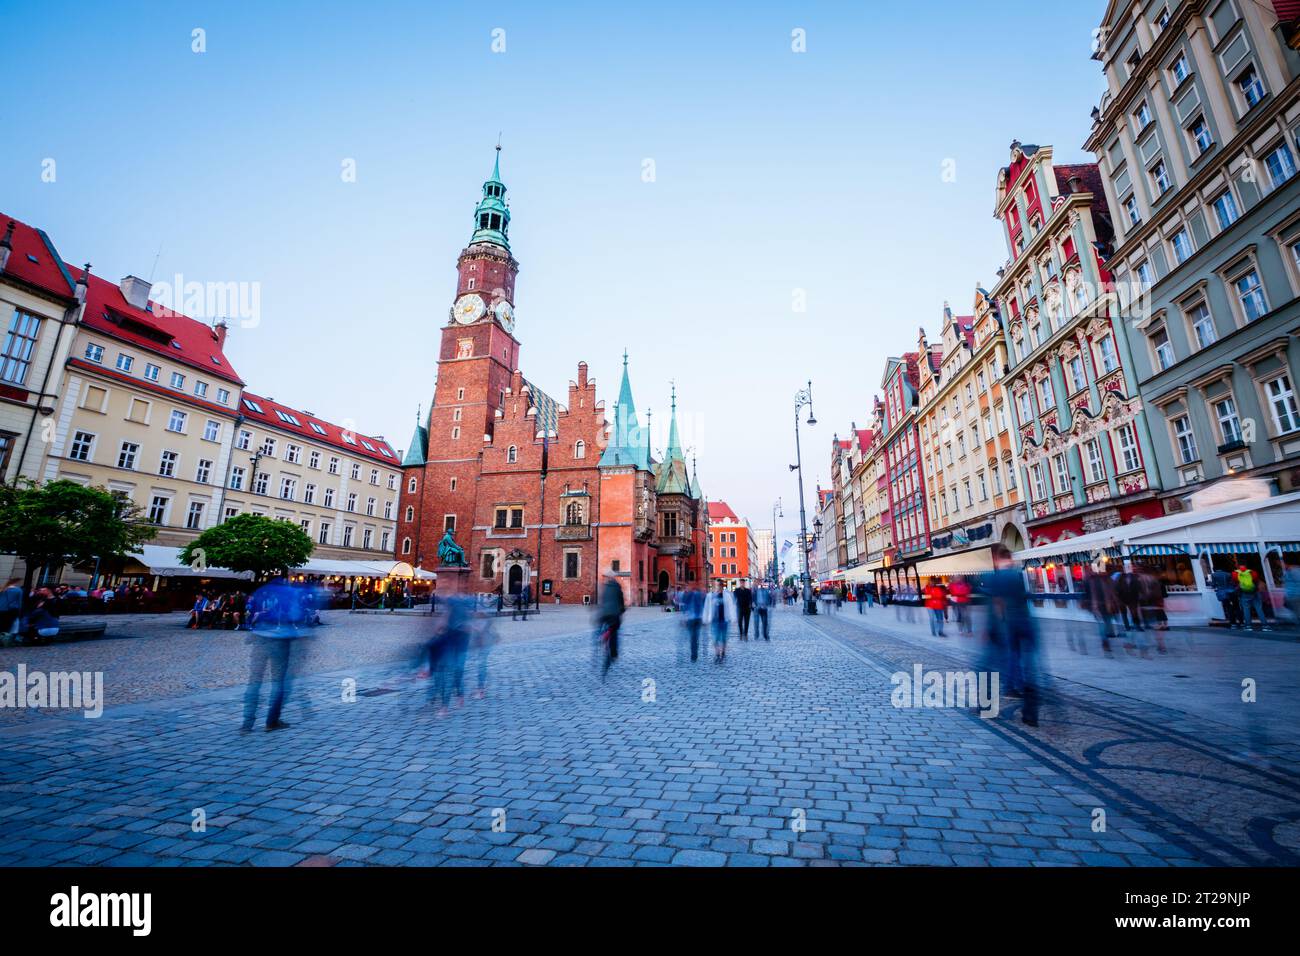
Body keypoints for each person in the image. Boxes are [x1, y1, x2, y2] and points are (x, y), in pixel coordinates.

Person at [982, 544, 1039, 727]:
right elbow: (1025, 598)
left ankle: (988, 704)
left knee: (990, 665)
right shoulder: (1019, 575)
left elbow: (997, 604)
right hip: (1026, 626)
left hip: (1006, 628)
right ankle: (1030, 712)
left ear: (997, 560)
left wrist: (992, 628)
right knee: (1028, 668)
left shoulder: (994, 578)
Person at [241, 577, 303, 732]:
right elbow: (296, 615)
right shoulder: (289, 593)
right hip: (279, 641)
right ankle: (271, 721)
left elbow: (250, 613)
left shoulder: (260, 592)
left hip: (259, 639)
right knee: (277, 682)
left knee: (254, 682)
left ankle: (247, 723)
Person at [1083, 566, 1118, 655]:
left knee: (1103, 623)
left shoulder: (1091, 581)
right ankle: (1105, 640)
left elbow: (1087, 594)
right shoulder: (1107, 580)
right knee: (1105, 623)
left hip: (1099, 606)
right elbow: (1113, 593)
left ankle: (1105, 640)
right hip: (1104, 606)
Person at [596, 575, 625, 675]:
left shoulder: (605, 588)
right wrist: (622, 610)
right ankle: (613, 653)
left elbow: (602, 601)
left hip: (604, 614)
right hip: (614, 614)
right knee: (615, 631)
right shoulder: (617, 588)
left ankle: (602, 636)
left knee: (603, 627)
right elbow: (621, 601)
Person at [703, 580, 733, 664]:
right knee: (715, 638)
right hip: (714, 621)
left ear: (722, 586)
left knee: (723, 638)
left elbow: (731, 606)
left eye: (719, 585)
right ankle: (717, 654)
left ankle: (722, 652)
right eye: (716, 585)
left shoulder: (727, 596)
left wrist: (732, 617)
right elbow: (707, 607)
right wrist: (705, 618)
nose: (717, 587)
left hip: (724, 620)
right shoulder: (710, 596)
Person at [1236, 564, 1269, 631]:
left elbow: (1237, 585)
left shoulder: (1237, 574)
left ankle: (1248, 626)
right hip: (1255, 592)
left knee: (1246, 609)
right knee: (1259, 609)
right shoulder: (1252, 572)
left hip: (1244, 594)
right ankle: (1265, 626)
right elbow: (1257, 581)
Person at [681, 586, 704, 661]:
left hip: (693, 619)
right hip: (696, 619)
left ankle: (694, 654)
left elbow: (684, 607)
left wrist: (684, 618)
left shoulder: (688, 595)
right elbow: (702, 606)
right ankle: (694, 654)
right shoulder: (698, 594)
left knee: (693, 638)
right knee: (695, 637)